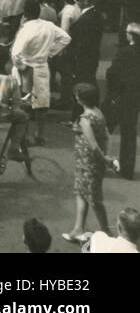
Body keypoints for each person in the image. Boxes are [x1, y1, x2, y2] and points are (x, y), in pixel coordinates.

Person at [63, 83, 119, 245]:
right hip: (89, 163)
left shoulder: (85, 119)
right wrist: (107, 155)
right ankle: (78, 229)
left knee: (94, 199)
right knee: (81, 193)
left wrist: (106, 160)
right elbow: (106, 135)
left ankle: (106, 232)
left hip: (88, 164)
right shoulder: (98, 113)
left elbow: (93, 145)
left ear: (80, 99)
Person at [11, 0, 71, 145]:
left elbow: (15, 53)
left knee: (23, 103)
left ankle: (22, 135)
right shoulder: (48, 26)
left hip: (26, 67)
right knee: (42, 103)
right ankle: (40, 134)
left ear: (25, 14)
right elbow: (66, 38)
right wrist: (50, 52)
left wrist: (20, 66)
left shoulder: (26, 30)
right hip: (42, 67)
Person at [104, 22, 140, 180]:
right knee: (129, 133)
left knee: (105, 128)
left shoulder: (124, 52)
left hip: (119, 96)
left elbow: (112, 73)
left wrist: (112, 92)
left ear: (131, 35)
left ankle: (98, 162)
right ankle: (127, 170)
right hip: (135, 98)